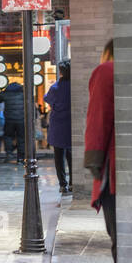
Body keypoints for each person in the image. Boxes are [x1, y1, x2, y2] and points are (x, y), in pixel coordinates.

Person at [85, 40, 117, 263]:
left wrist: (93, 162)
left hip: (117, 171)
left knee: (120, 236)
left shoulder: (107, 71)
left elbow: (98, 118)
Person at [46, 62, 73, 194]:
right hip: (71, 124)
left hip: (58, 124)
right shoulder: (74, 86)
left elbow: (47, 99)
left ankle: (63, 184)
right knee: (71, 155)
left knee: (59, 156)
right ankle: (73, 183)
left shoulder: (56, 87)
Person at [0, 79, 26, 162]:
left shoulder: (6, 94)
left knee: (8, 136)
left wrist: (4, 91)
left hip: (9, 120)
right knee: (21, 138)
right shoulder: (23, 94)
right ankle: (20, 158)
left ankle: (9, 153)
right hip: (21, 120)